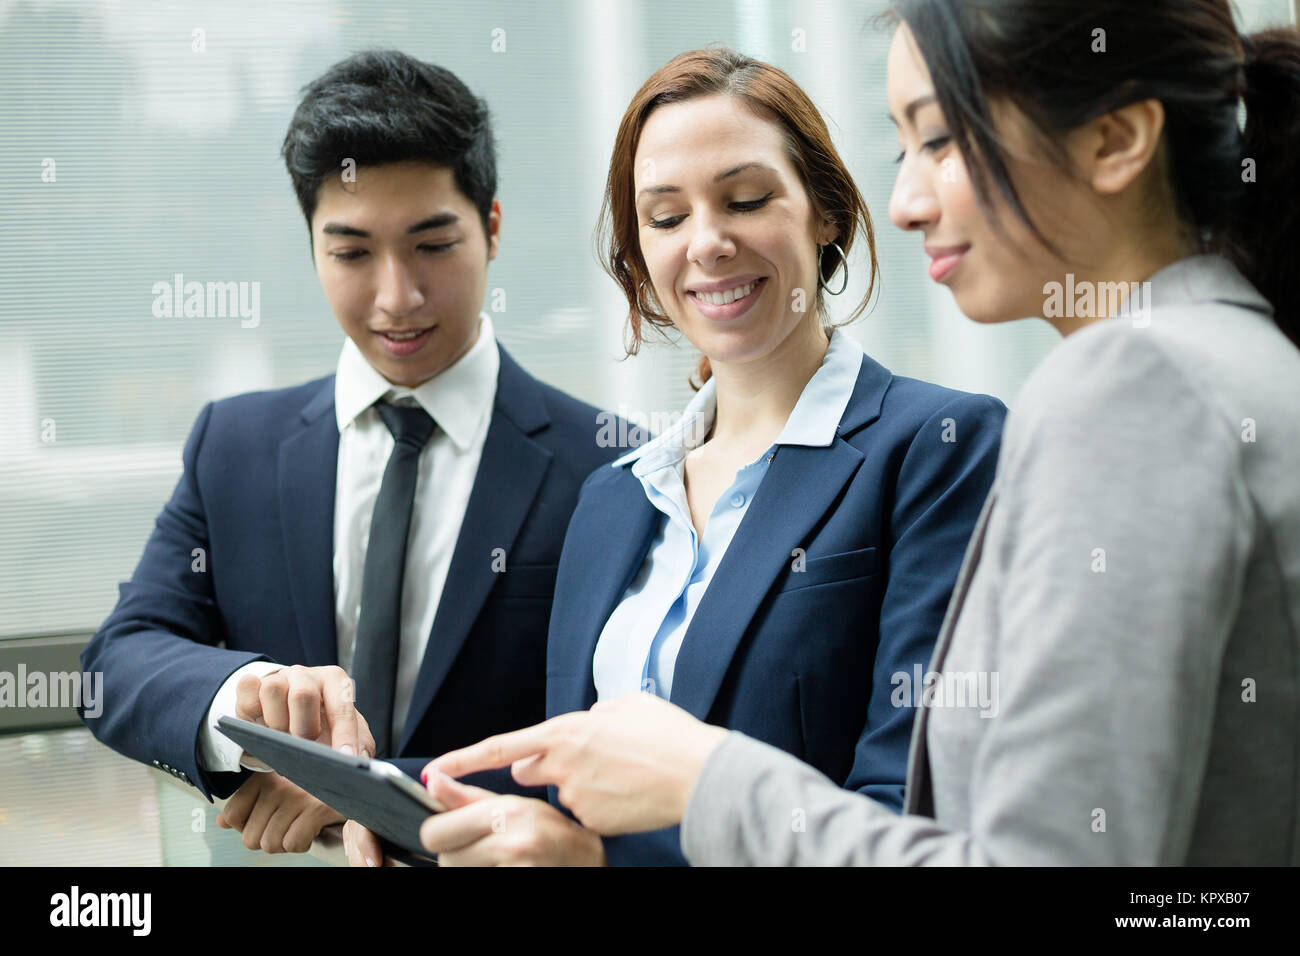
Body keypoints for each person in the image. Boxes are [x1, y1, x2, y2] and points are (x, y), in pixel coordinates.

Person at [426, 0, 1300, 866]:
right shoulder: (1220, 358)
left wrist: (702, 786)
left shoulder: (1132, 388)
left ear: (1116, 141)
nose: (908, 203)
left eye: (943, 140)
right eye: (903, 147)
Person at [348, 47, 1006, 866]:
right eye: (665, 219)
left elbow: (909, 811)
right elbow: (568, 789)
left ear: (827, 213)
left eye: (746, 200)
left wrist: (599, 864)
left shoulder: (938, 448)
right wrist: (372, 793)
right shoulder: (614, 497)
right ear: (638, 255)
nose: (708, 243)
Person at [78, 50, 626, 857]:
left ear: (492, 228)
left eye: (432, 244)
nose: (396, 296)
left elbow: (625, 736)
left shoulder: (611, 468)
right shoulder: (233, 447)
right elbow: (116, 662)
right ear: (311, 246)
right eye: (352, 253)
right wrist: (251, 702)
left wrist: (352, 790)